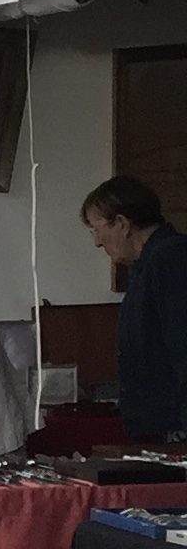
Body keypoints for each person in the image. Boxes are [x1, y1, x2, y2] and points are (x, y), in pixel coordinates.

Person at [82, 176, 187, 445]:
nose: (96, 242)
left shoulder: (170, 258)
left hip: (174, 428)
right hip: (158, 424)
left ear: (122, 223)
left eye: (96, 229)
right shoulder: (147, 264)